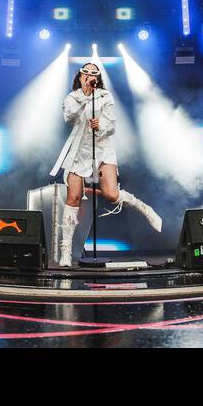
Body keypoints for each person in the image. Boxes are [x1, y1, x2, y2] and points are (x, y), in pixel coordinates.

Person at [49, 62, 160, 267]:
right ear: (81, 76)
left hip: (102, 147)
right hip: (79, 148)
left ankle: (143, 207)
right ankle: (66, 250)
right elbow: (69, 117)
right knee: (73, 196)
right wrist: (84, 95)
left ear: (98, 78)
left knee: (110, 193)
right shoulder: (72, 97)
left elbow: (112, 125)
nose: (90, 76)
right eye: (86, 73)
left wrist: (100, 125)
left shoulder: (105, 96)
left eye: (94, 74)